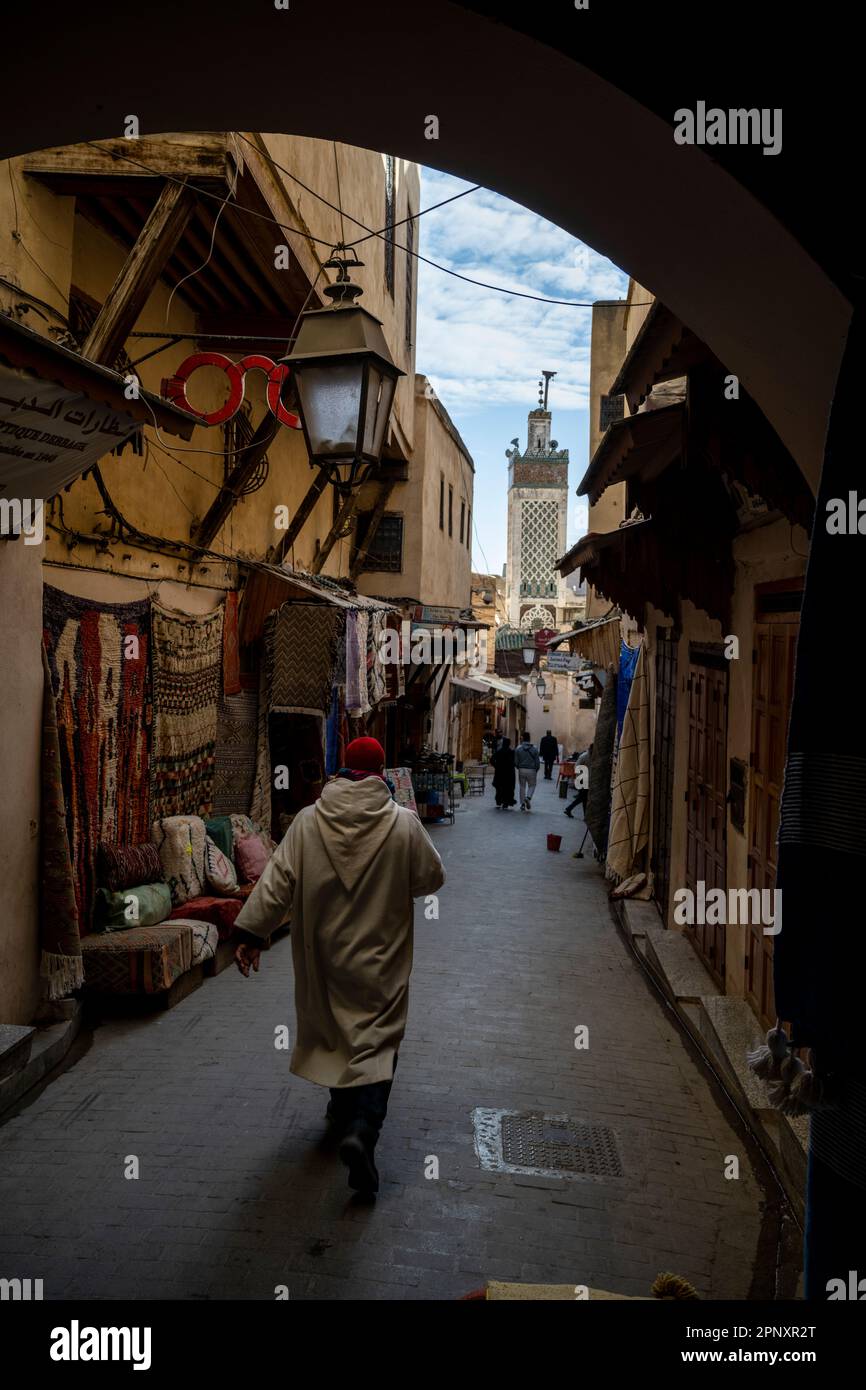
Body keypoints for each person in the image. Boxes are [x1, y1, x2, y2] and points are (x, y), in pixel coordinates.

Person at [233, 736, 444, 1197]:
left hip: (324, 957)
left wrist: (250, 934)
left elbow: (276, 883)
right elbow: (432, 877)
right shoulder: (403, 825)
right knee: (376, 1040)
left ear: (343, 770)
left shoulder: (309, 822)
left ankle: (342, 1113)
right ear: (382, 772)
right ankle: (362, 1130)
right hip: (381, 959)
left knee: (336, 1034)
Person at [564, 743, 593, 818]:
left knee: (584, 798)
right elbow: (577, 767)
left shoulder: (591, 756)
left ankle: (584, 816)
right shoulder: (584, 756)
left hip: (586, 779)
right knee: (582, 798)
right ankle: (568, 809)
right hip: (582, 779)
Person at [514, 731, 541, 811]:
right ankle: (528, 797)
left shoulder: (518, 749)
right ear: (529, 739)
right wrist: (536, 769)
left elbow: (516, 762)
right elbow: (537, 762)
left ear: (523, 738)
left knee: (522, 787)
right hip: (532, 770)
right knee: (532, 785)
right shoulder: (534, 749)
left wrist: (519, 767)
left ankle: (522, 804)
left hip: (521, 769)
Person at [492, 735, 516, 809]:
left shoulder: (499, 752)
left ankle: (499, 801)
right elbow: (514, 762)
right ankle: (506, 802)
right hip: (509, 773)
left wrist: (496, 766)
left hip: (500, 772)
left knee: (499, 787)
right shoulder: (511, 752)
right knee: (508, 788)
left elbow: (492, 759)